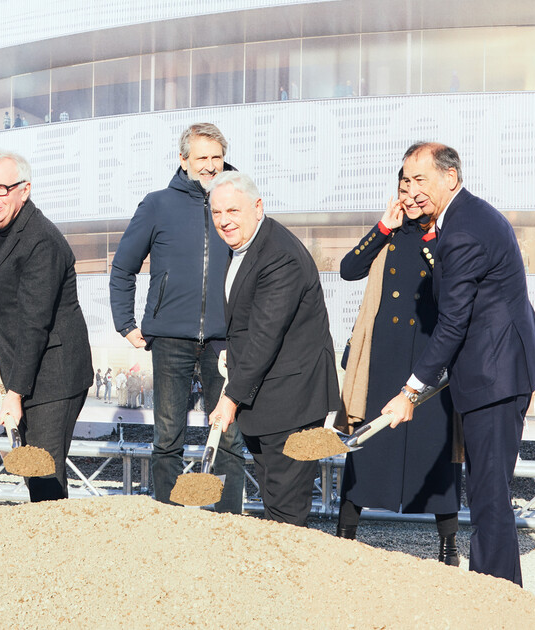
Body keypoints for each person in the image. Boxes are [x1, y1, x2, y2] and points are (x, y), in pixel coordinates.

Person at [380, 142, 535, 587]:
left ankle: (496, 593)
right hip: (493, 368)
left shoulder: (462, 232)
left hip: (496, 374)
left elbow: (453, 324)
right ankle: (495, 589)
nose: (412, 190)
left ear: (450, 177)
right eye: (407, 180)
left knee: (489, 493)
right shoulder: (463, 217)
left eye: (421, 180)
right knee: (485, 489)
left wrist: (409, 393)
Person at [109, 122, 246, 513]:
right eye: (201, 157)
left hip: (224, 340)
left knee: (228, 436)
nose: (209, 165)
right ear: (182, 160)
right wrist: (126, 323)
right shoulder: (157, 204)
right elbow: (123, 267)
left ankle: (227, 520)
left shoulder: (236, 203)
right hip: (169, 340)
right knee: (168, 436)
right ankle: (168, 521)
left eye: (216, 157)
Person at [334, 170, 462, 564]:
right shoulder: (388, 233)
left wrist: (431, 243)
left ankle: (448, 543)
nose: (408, 196)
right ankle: (345, 533)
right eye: (402, 189)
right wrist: (383, 226)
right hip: (383, 353)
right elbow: (348, 269)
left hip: (429, 355)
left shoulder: (445, 234)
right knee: (368, 443)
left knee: (437, 450)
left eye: (415, 189)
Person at [207, 171, 339, 525]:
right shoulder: (246, 246)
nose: (224, 221)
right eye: (217, 213)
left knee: (286, 509)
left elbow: (266, 335)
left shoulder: (279, 255)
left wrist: (230, 398)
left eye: (232, 211)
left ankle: (295, 577)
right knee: (274, 499)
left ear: (257, 206)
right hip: (267, 402)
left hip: (292, 402)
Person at [0, 149, 93, 502]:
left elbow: (34, 322)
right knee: (34, 473)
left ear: (24, 190)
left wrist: (13, 395)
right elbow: (13, 304)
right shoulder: (2, 228)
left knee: (43, 474)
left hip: (55, 376)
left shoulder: (41, 240)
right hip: (31, 366)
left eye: (1, 188)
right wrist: (0, 341)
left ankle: (54, 550)